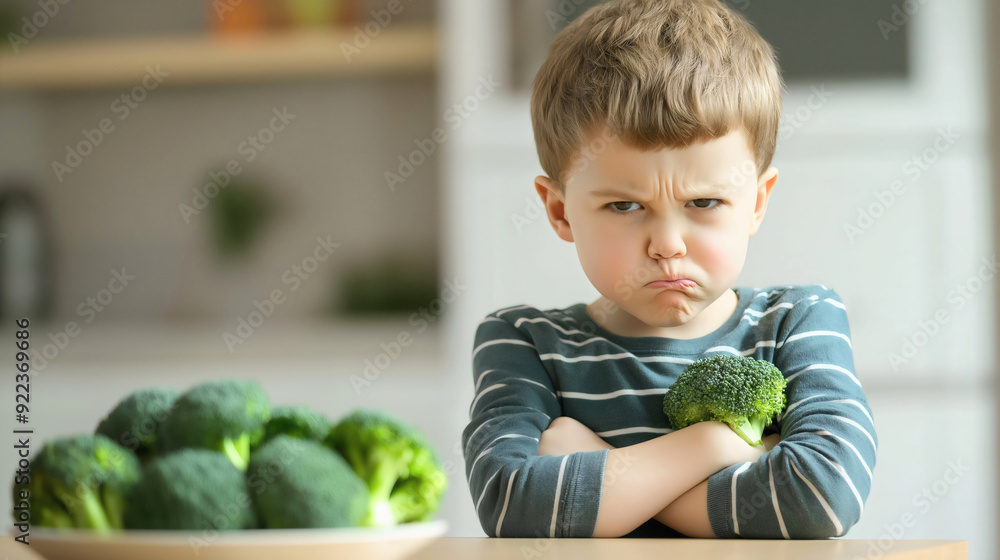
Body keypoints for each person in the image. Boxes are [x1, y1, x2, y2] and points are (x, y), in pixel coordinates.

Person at [461, 0, 877, 539]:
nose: (667, 245)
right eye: (624, 206)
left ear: (756, 202)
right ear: (560, 210)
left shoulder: (798, 321)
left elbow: (821, 497)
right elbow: (511, 507)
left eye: (704, 203)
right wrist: (720, 444)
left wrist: (592, 460)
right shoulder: (524, 344)